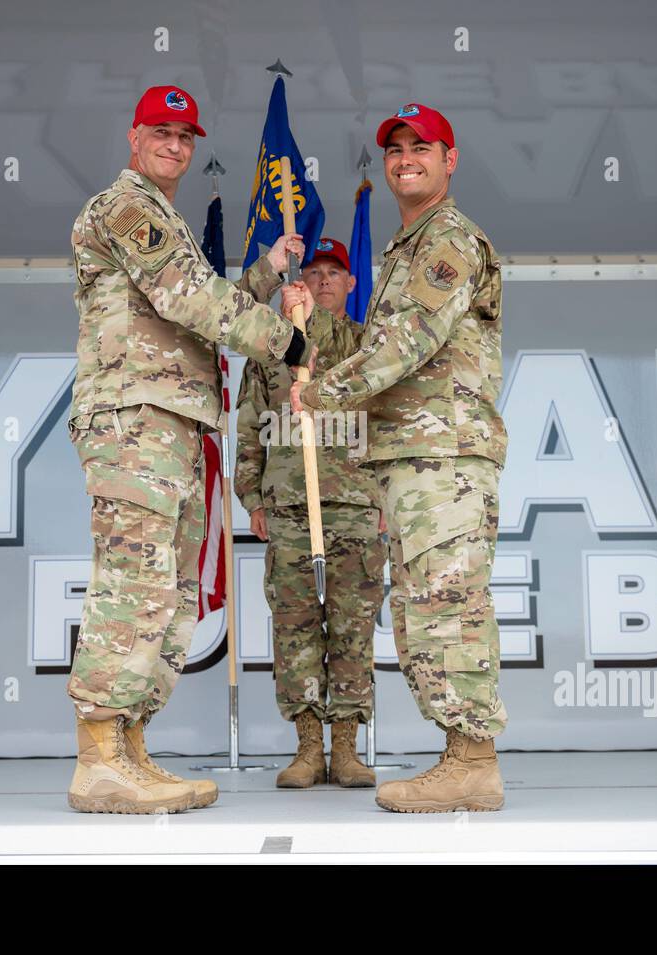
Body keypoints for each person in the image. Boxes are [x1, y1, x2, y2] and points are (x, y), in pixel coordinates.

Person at [66, 85, 313, 814]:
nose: (176, 146)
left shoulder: (164, 216)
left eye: (186, 136)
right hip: (134, 418)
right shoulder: (126, 207)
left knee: (169, 596)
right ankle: (98, 756)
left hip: (172, 422)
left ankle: (131, 748)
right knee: (133, 583)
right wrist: (285, 338)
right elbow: (187, 298)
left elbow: (201, 300)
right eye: (162, 133)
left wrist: (267, 273)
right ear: (134, 136)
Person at [287, 103, 509, 812]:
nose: (405, 157)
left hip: (443, 456)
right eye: (395, 148)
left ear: (451, 158)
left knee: (449, 604)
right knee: (422, 610)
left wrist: (322, 392)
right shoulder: (404, 248)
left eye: (422, 146)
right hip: (413, 460)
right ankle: (459, 753)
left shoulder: (448, 240)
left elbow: (402, 345)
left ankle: (473, 759)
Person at [234, 237, 386, 789]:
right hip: (290, 507)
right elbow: (248, 428)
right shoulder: (271, 348)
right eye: (314, 271)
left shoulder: (367, 346)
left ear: (349, 284)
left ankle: (345, 748)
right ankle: (306, 749)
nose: (322, 280)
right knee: (295, 627)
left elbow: (390, 423)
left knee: (351, 628)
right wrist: (251, 498)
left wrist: (388, 497)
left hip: (354, 505)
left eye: (333, 273)